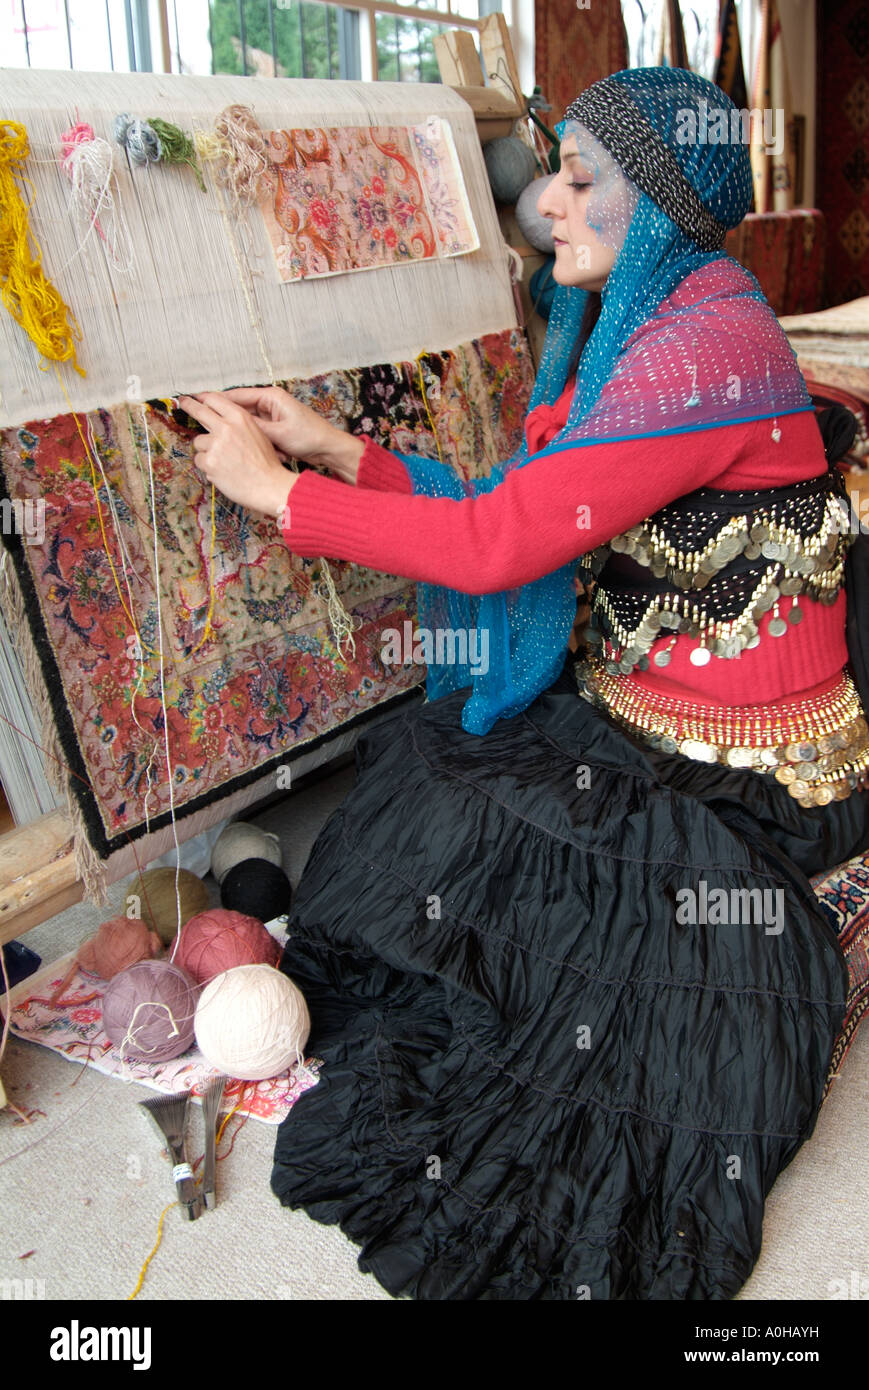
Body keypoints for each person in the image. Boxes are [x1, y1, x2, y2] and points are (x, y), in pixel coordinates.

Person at [179, 68, 869, 1299]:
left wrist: (279, 497)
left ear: (654, 203)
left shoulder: (708, 349)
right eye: (551, 168)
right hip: (640, 709)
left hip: (748, 776)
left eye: (579, 177)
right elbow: (513, 510)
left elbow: (500, 546)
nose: (544, 202)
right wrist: (338, 452)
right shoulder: (647, 324)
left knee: (597, 946)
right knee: (437, 769)